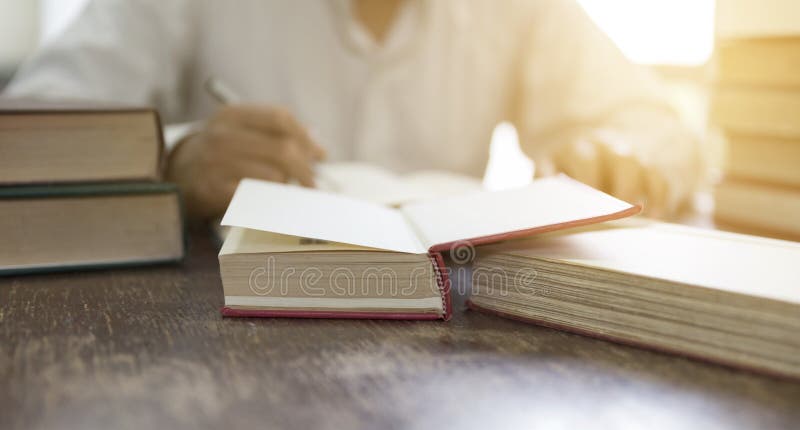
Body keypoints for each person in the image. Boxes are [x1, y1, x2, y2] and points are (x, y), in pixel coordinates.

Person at [5, 0, 703, 220]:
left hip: (448, 343)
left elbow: (658, 130)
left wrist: (618, 159)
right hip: (209, 329)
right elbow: (31, 124)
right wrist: (174, 157)